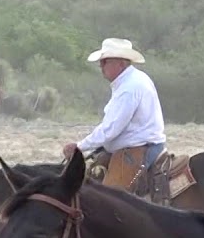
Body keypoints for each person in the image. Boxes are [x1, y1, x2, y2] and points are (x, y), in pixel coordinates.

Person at [63, 37, 167, 191]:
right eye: (102, 61)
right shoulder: (134, 80)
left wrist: (79, 146)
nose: (101, 65)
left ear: (121, 63)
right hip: (135, 146)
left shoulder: (129, 88)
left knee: (108, 200)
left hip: (137, 149)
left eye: (105, 61)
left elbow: (111, 128)